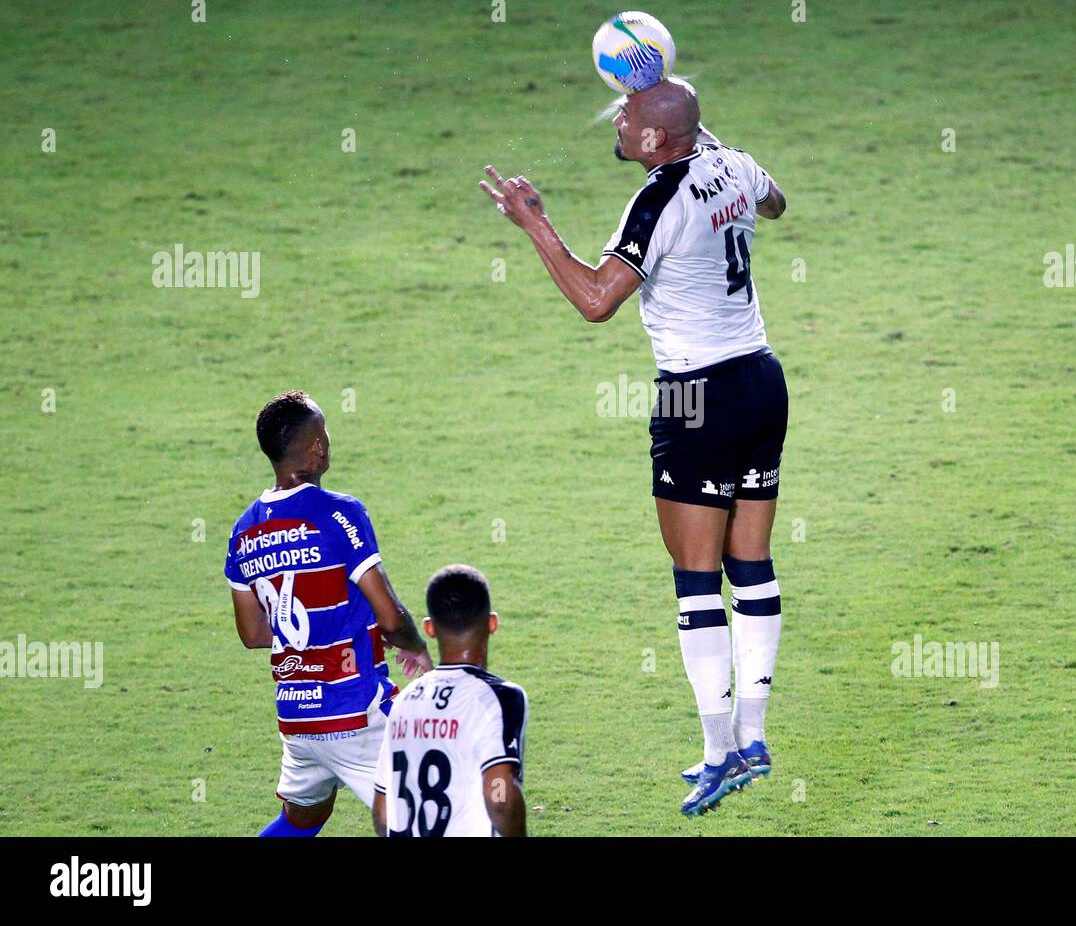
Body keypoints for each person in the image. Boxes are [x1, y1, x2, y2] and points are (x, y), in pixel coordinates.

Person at [477, 77, 787, 817]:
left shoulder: (657, 199)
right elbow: (776, 203)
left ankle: (717, 754)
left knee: (694, 578)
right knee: (751, 565)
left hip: (694, 398)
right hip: (762, 381)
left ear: (655, 140)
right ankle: (754, 737)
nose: (616, 121)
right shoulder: (734, 161)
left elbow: (595, 300)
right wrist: (709, 150)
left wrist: (533, 224)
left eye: (627, 116)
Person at [225, 390, 432, 836]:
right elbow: (391, 617)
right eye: (324, 433)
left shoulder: (243, 530)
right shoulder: (339, 513)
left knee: (304, 818)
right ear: (316, 447)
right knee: (432, 802)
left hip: (297, 717)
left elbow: (253, 632)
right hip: (355, 712)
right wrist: (416, 647)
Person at [372, 565, 527, 837]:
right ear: (492, 623)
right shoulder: (500, 697)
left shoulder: (404, 702)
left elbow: (382, 813)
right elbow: (499, 797)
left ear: (429, 628)